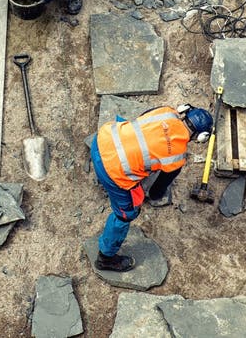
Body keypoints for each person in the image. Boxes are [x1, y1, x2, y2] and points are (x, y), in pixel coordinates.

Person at [90, 104, 214, 273]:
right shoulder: (177, 157)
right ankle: (106, 259)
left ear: (186, 111)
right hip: (111, 171)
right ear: (201, 137)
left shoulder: (166, 111)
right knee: (126, 214)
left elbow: (142, 125)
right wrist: (151, 194)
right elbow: (156, 192)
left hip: (102, 140)